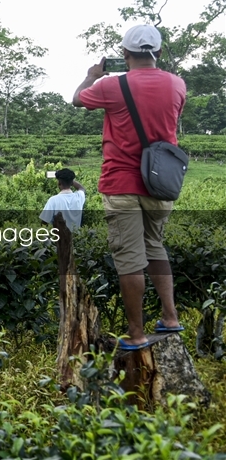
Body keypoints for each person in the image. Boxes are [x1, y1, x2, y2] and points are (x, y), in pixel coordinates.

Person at [72, 24, 186, 351]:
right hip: (162, 184)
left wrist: (92, 74)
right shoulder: (177, 84)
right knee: (155, 247)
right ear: (159, 53)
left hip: (122, 183)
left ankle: (136, 334)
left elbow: (78, 99)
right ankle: (171, 317)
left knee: (129, 259)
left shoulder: (111, 86)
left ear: (124, 54)